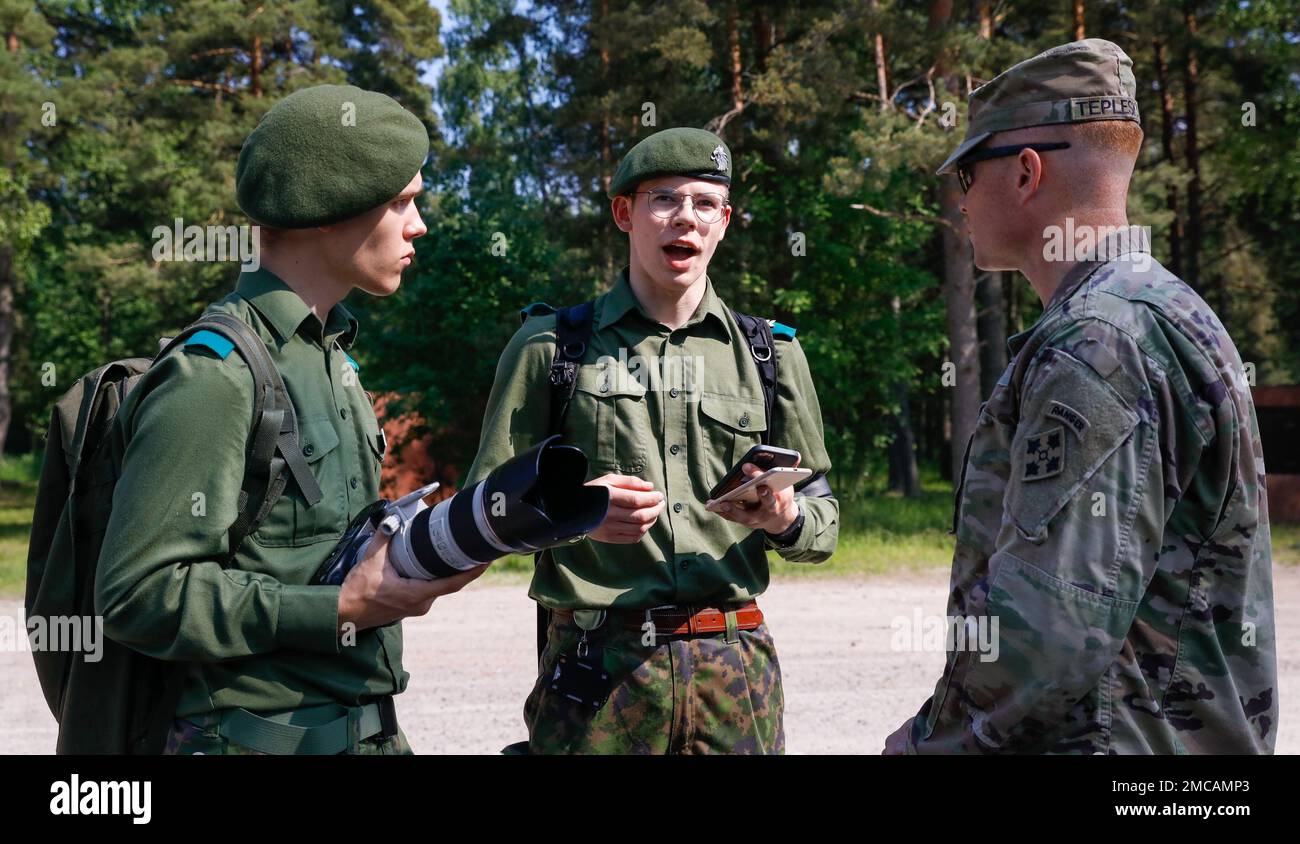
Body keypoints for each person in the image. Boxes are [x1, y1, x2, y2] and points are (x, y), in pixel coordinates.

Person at [884, 39, 1276, 754]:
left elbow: (1052, 627)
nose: (960, 198)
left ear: (1026, 172)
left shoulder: (1099, 338)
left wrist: (928, 743)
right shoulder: (1162, 309)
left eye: (968, 173)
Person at [94, 84, 485, 755]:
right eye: (401, 202)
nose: (418, 223)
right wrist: (339, 609)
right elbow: (137, 592)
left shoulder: (330, 356)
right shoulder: (214, 371)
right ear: (327, 211)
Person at [465, 127, 839, 754]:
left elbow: (824, 522)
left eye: (702, 203)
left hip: (734, 671)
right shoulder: (552, 349)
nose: (683, 220)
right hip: (596, 672)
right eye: (663, 199)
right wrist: (577, 515)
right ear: (624, 214)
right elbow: (483, 510)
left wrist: (785, 515)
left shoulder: (772, 354)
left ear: (724, 220)